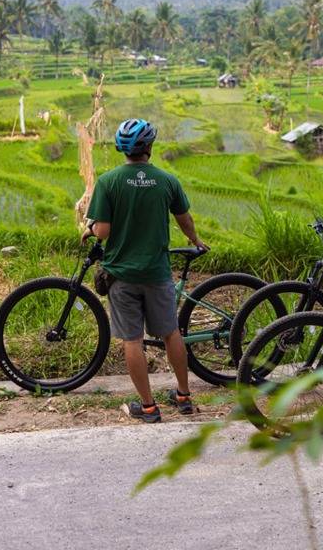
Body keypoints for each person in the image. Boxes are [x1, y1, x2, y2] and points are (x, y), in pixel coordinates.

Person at [82, 118, 209, 424]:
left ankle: (149, 407)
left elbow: (103, 231)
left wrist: (90, 228)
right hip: (157, 272)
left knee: (133, 340)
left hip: (122, 275)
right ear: (149, 146)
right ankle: (184, 396)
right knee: (171, 333)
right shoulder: (166, 180)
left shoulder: (108, 181)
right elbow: (184, 218)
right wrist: (195, 240)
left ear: (121, 148)